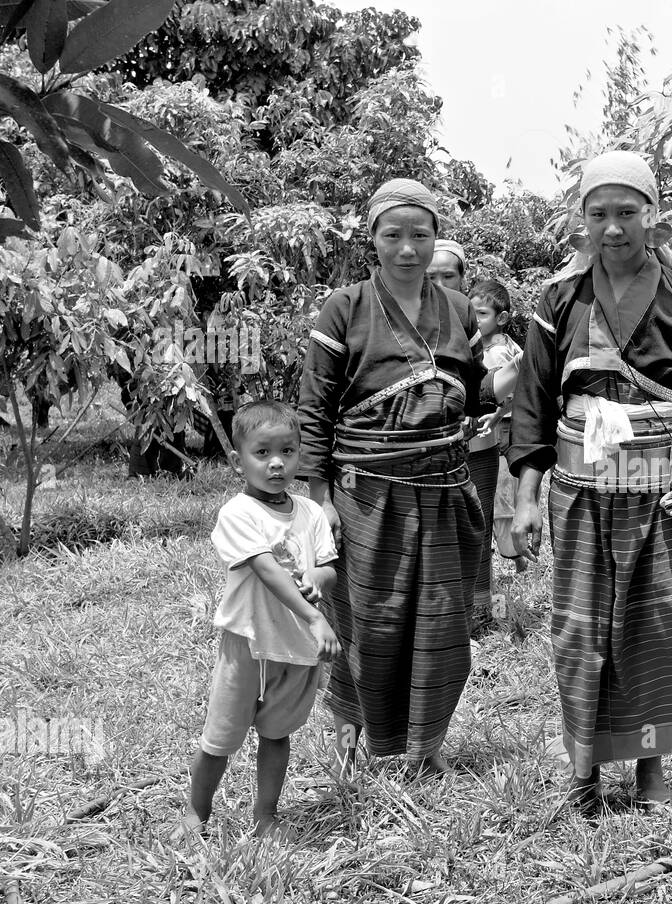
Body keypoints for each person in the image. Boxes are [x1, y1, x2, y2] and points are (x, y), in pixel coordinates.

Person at [509, 151, 672, 809]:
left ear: (652, 215)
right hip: (579, 490)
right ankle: (583, 771)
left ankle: (650, 772)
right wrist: (525, 498)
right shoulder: (560, 297)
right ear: (582, 220)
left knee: (657, 629)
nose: (612, 228)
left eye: (626, 212)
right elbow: (532, 400)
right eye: (598, 214)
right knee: (580, 632)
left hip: (662, 490)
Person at [298, 179, 513, 779]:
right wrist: (319, 498)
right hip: (366, 492)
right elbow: (315, 407)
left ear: (436, 236)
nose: (408, 248)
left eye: (421, 234)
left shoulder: (459, 311)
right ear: (372, 238)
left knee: (440, 620)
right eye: (393, 234)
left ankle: (425, 748)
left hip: (444, 488)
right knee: (367, 619)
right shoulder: (344, 308)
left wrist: (506, 392)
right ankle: (348, 742)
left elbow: (471, 396)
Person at [179, 400, 339, 842]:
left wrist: (317, 578)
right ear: (238, 461)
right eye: (262, 452)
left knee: (277, 735)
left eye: (287, 451)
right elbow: (267, 569)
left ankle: (266, 815)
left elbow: (328, 565)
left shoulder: (310, 512)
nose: (276, 463)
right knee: (219, 740)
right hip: (248, 644)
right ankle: (196, 812)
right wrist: (314, 617)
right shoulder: (238, 514)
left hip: (295, 648)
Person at [426, 240, 514, 629]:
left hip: (478, 448)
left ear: (462, 279)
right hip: (430, 452)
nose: (439, 283)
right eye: (431, 275)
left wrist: (496, 410)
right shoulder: (405, 323)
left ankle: (480, 613)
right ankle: (442, 613)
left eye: (448, 275)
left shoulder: (472, 327)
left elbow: (488, 386)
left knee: (479, 527)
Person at [468, 278, 526, 570]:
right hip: (500, 429)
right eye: (473, 313)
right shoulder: (496, 345)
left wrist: (498, 414)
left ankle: (514, 555)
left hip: (500, 431)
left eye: (482, 314)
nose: (476, 319)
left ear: (501, 318)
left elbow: (506, 392)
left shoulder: (498, 352)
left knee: (500, 495)